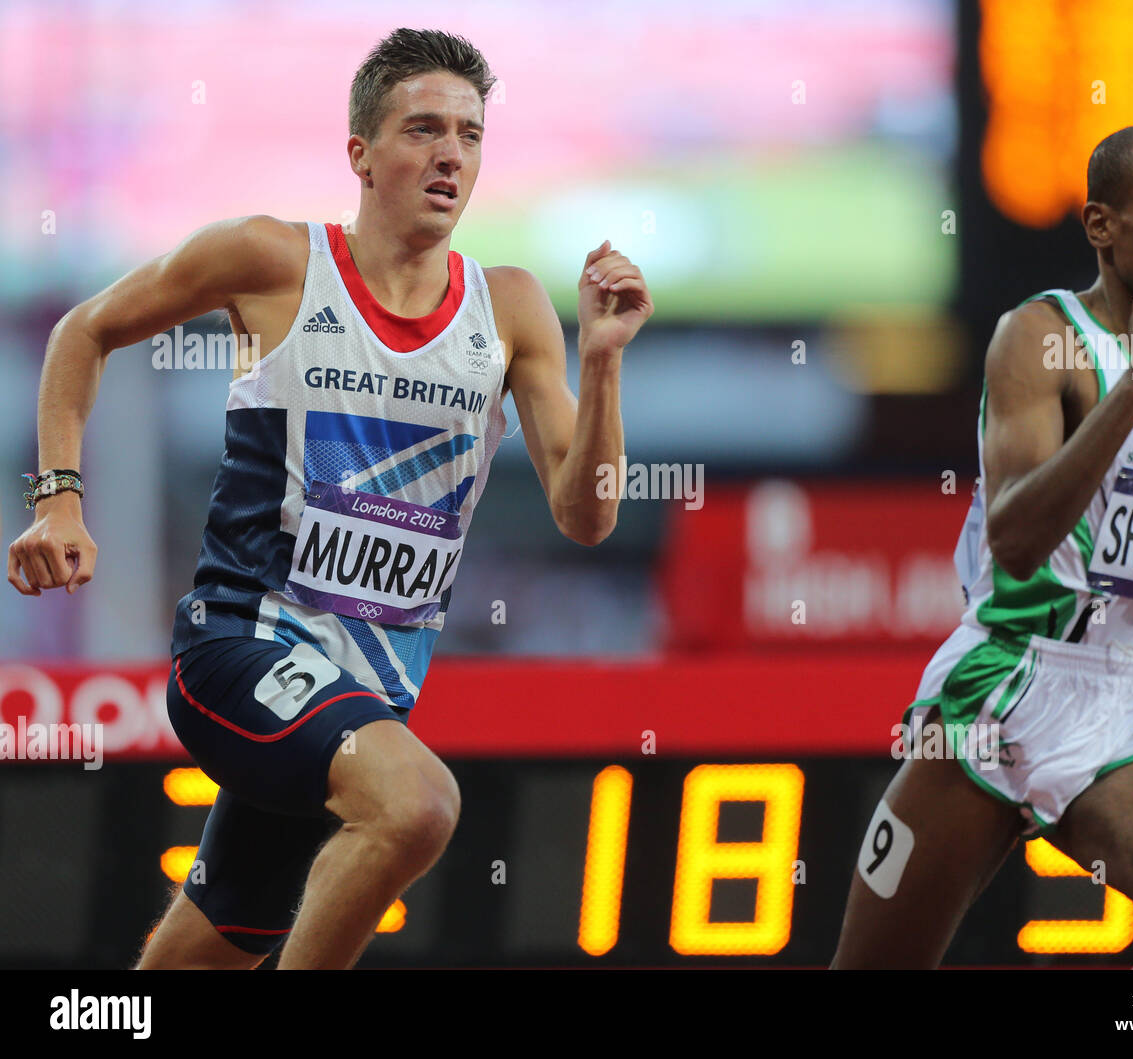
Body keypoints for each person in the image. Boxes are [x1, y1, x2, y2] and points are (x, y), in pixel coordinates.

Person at [7, 27, 653, 969]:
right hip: (238, 649)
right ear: (360, 154)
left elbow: (586, 513)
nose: (452, 155)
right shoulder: (273, 260)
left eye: (471, 135)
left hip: (365, 694)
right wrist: (59, 498)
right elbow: (82, 331)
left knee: (206, 949)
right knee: (420, 804)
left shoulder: (509, 309)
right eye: (424, 129)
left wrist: (601, 367)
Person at [831, 125, 1133, 969]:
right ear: (1102, 225)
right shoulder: (1036, 338)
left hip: (1130, 701)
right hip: (1006, 688)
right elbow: (1019, 538)